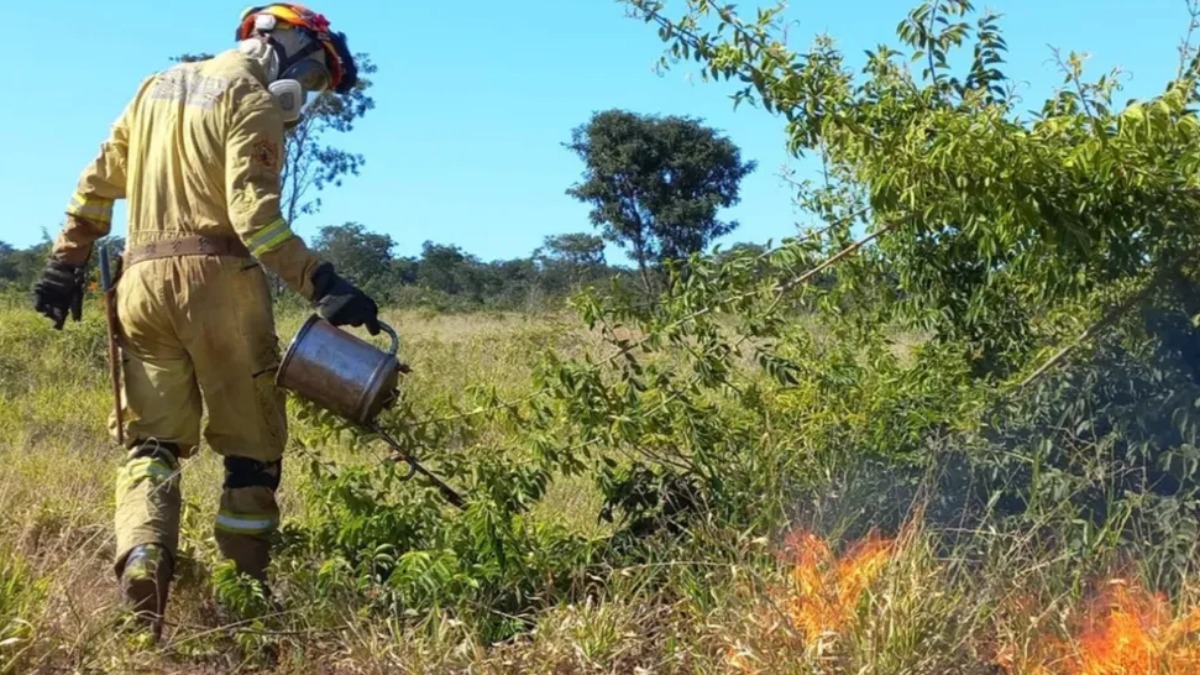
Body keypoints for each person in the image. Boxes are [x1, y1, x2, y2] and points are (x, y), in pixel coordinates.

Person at [30, 3, 382, 637]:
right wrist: (322, 283)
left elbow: (96, 184)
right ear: (284, 43)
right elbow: (255, 220)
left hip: (139, 285)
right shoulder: (253, 100)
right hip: (221, 286)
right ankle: (244, 603)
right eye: (314, 76)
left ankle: (144, 557)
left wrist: (66, 262)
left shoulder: (155, 86)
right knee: (251, 451)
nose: (307, 93)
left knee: (151, 445)